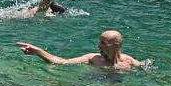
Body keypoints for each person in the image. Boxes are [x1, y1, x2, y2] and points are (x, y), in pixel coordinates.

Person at [17, 29, 148, 72]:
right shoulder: (93, 58)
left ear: (115, 45)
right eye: (99, 42)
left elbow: (146, 68)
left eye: (103, 43)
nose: (99, 46)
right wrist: (38, 51)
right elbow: (62, 62)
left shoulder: (129, 61)